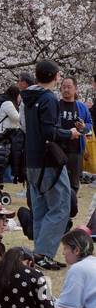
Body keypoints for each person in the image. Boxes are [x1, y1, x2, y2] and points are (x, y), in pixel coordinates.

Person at [22, 60, 79, 269]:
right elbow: (50, 132)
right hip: (49, 162)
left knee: (40, 207)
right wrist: (69, 133)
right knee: (60, 206)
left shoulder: (28, 97)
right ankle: (44, 254)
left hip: (32, 160)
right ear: (55, 76)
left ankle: (39, 252)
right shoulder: (48, 99)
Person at [51, 228, 96, 308]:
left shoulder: (78, 268)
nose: (63, 252)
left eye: (65, 248)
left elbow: (69, 305)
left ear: (76, 250)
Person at [57, 77, 90, 221]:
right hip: (58, 149)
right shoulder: (56, 105)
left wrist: (84, 128)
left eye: (69, 86)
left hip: (76, 149)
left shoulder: (81, 107)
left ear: (75, 89)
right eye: (63, 86)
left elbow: (89, 124)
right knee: (57, 179)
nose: (66, 89)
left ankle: (70, 209)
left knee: (74, 181)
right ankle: (58, 207)